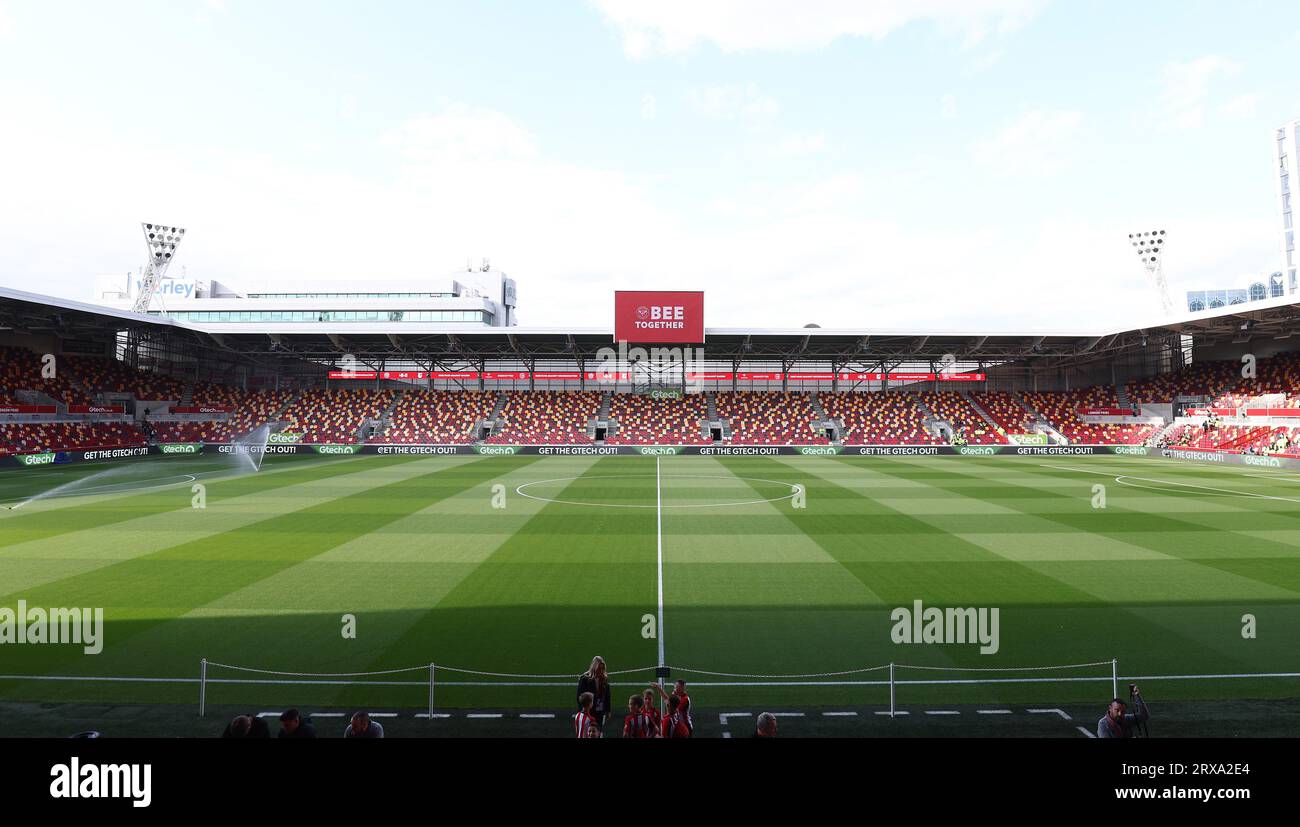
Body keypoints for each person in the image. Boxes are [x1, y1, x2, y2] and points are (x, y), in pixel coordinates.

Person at [576, 656, 612, 734]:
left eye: (603, 668)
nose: (601, 671)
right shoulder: (585, 679)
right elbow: (579, 696)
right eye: (599, 668)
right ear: (594, 667)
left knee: (597, 732)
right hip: (588, 711)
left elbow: (607, 695)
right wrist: (583, 711)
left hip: (599, 712)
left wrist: (608, 710)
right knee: (586, 732)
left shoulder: (604, 679)